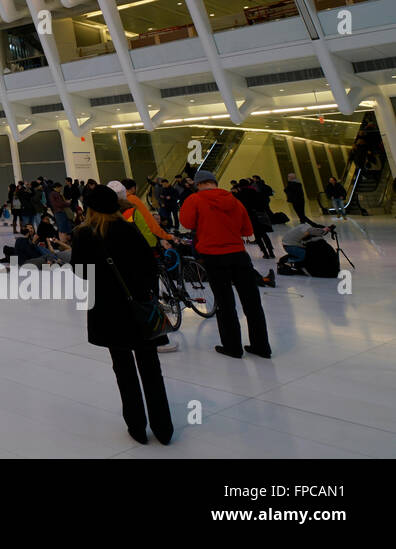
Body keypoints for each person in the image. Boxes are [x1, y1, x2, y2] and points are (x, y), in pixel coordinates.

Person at [71, 184, 173, 446]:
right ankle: (164, 428)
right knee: (151, 369)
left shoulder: (84, 235)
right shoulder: (128, 229)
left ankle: (137, 426)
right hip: (139, 308)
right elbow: (151, 267)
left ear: (89, 208)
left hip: (108, 311)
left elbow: (81, 272)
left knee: (124, 369)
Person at [179, 170, 272, 360]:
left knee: (225, 303)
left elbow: (186, 223)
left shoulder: (194, 200)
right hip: (239, 255)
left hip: (213, 257)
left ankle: (232, 347)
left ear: (197, 184)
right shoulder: (234, 201)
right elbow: (247, 230)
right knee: (252, 303)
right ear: (214, 182)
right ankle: (261, 346)